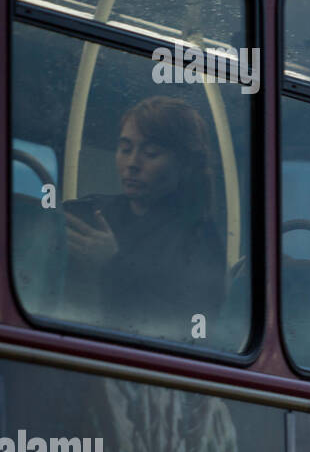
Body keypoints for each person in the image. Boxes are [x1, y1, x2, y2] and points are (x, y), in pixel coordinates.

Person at [64, 95, 226, 340]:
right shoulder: (92, 212)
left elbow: (188, 331)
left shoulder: (198, 238)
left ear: (185, 165)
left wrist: (112, 265)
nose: (132, 163)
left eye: (150, 153)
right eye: (125, 149)